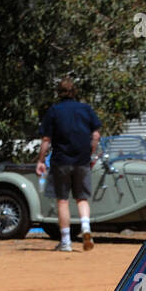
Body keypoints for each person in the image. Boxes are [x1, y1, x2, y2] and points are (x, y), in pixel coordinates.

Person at [37, 76, 102, 251]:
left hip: (61, 161)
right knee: (82, 198)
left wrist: (41, 160)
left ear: (59, 93)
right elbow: (96, 135)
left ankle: (65, 241)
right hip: (82, 160)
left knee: (63, 201)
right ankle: (86, 230)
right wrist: (90, 152)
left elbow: (45, 139)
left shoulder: (54, 111)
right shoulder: (85, 109)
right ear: (74, 92)